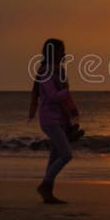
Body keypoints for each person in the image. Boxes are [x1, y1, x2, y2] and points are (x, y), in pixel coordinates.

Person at [28, 38, 74, 204]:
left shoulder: (58, 71)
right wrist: (66, 92)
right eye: (61, 50)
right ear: (53, 52)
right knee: (66, 155)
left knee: (54, 157)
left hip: (59, 119)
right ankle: (45, 185)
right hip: (50, 119)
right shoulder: (46, 72)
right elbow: (52, 96)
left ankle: (48, 195)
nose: (63, 54)